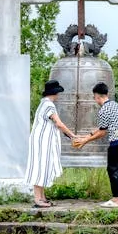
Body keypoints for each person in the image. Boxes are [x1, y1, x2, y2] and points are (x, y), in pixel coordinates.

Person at [73, 82, 118, 208]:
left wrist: (85, 141)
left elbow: (102, 132)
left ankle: (117, 199)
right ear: (106, 93)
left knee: (114, 170)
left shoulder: (104, 110)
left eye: (94, 97)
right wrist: (87, 136)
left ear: (97, 96)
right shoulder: (114, 105)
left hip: (116, 143)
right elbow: (104, 127)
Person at [25, 80, 77, 208]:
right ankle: (38, 199)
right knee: (40, 167)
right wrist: (72, 136)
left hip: (41, 140)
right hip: (42, 141)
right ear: (54, 93)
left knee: (43, 166)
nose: (58, 96)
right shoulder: (49, 105)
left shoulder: (44, 103)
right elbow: (59, 123)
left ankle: (42, 197)